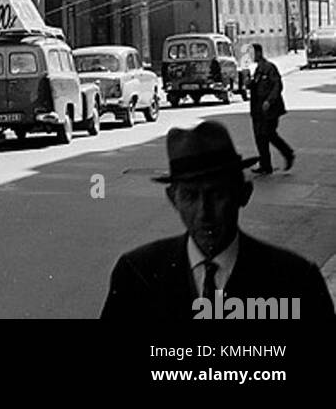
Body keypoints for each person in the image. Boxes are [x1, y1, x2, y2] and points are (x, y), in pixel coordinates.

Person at [101, 121, 334, 319]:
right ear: (174, 199)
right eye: (191, 196)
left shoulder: (296, 281)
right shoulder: (137, 274)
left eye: (218, 194)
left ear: (243, 194)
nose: (204, 212)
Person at [249, 43, 294, 174]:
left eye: (252, 53)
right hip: (258, 110)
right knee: (260, 137)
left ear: (258, 53)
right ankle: (265, 165)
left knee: (269, 134)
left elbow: (277, 85)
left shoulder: (269, 68)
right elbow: (255, 88)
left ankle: (288, 153)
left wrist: (269, 100)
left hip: (270, 110)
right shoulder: (257, 70)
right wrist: (248, 83)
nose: (250, 57)